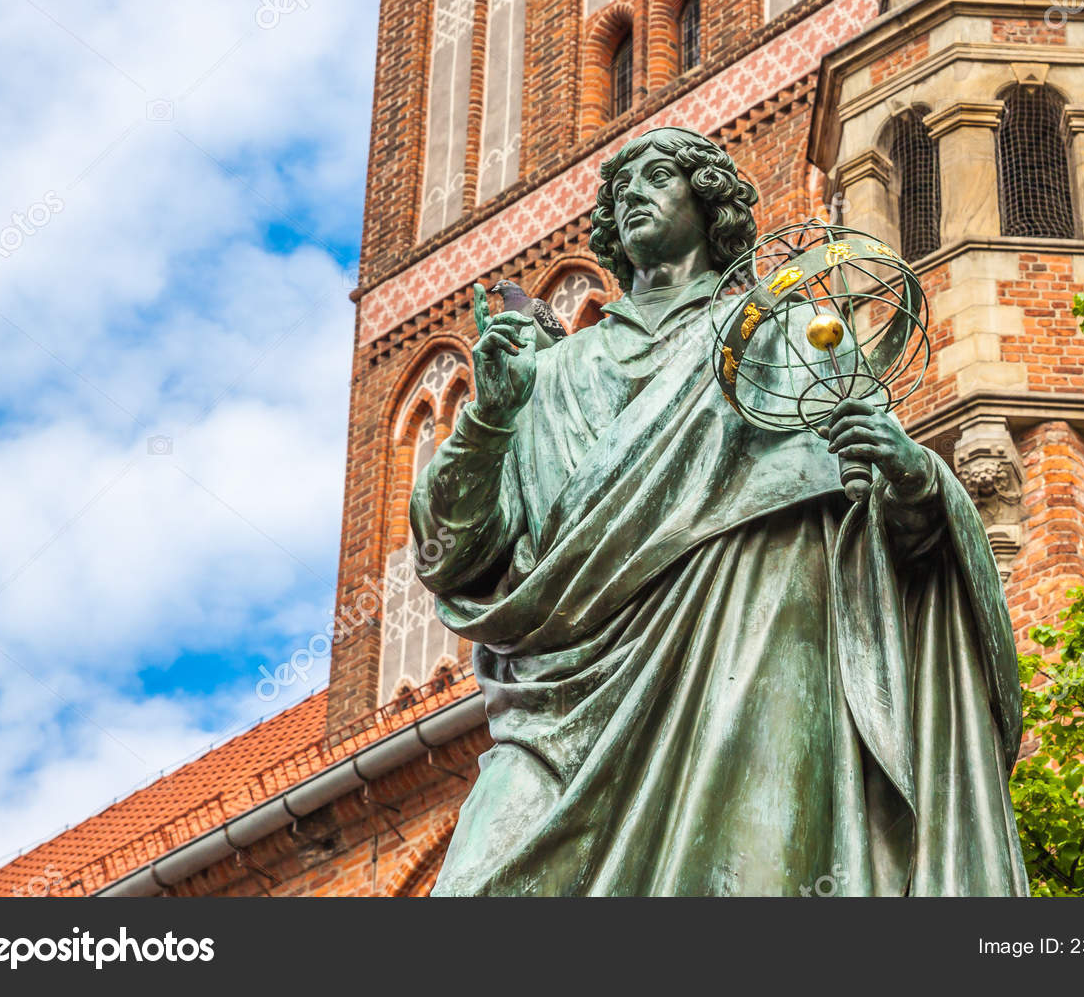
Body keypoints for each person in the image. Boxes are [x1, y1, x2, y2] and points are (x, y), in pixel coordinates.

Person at [411, 126, 1027, 895]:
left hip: (754, 660)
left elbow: (884, 534)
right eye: (620, 187)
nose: (632, 194)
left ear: (709, 203)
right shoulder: (549, 373)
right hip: (560, 703)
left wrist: (914, 478)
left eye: (657, 176)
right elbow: (450, 554)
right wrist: (489, 419)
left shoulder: (791, 337)